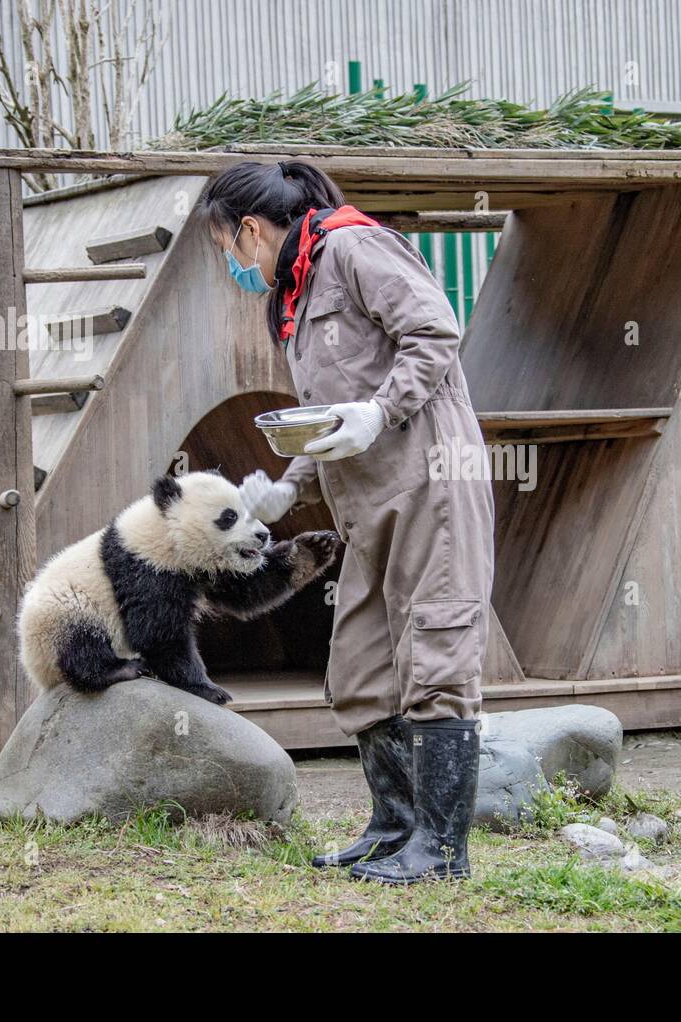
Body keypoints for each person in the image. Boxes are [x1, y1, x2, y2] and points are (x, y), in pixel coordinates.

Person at [201, 160, 494, 884]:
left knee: (436, 661)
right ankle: (393, 829)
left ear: (251, 229)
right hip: (365, 504)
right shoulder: (297, 293)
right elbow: (328, 422)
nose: (232, 264)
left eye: (226, 247)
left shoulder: (357, 249)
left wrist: (380, 410)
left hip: (429, 485)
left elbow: (434, 333)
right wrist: (281, 490)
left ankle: (442, 851)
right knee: (361, 670)